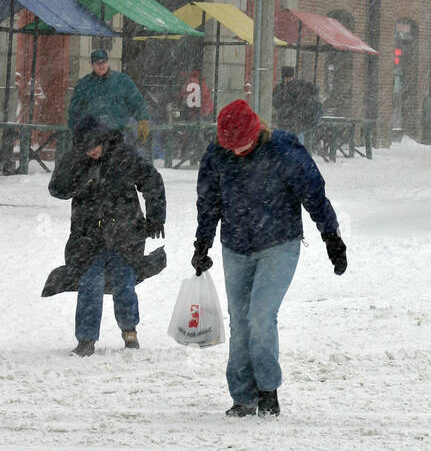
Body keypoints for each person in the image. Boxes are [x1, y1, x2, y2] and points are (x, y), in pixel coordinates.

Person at [192, 99, 347, 418]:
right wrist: (202, 244)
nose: (236, 151)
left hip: (278, 243)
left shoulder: (284, 152)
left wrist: (331, 237)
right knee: (240, 324)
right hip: (235, 246)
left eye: (242, 144)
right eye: (230, 146)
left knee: (261, 317)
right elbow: (209, 202)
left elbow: (314, 194)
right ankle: (242, 396)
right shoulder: (217, 155)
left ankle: (268, 390)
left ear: (256, 131)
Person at [42, 114, 167, 355]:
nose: (91, 152)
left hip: (124, 234)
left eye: (94, 147)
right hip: (88, 236)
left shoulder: (124, 156)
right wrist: (77, 170)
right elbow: (57, 189)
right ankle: (86, 340)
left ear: (103, 140)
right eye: (86, 149)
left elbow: (152, 181)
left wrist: (156, 218)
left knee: (124, 283)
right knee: (89, 283)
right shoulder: (77, 159)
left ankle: (130, 332)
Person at [67, 49, 150, 150]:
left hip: (118, 134)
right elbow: (74, 110)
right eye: (97, 63)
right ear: (92, 65)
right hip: (91, 137)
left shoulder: (123, 81)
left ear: (107, 62)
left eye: (104, 62)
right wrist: (75, 130)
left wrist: (143, 120)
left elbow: (137, 103)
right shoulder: (84, 84)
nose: (101, 65)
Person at [271, 65, 322, 147]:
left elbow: (276, 103)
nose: (287, 79)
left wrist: (288, 108)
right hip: (293, 122)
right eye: (286, 77)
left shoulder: (286, 88)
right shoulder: (300, 86)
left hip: (293, 122)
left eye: (289, 77)